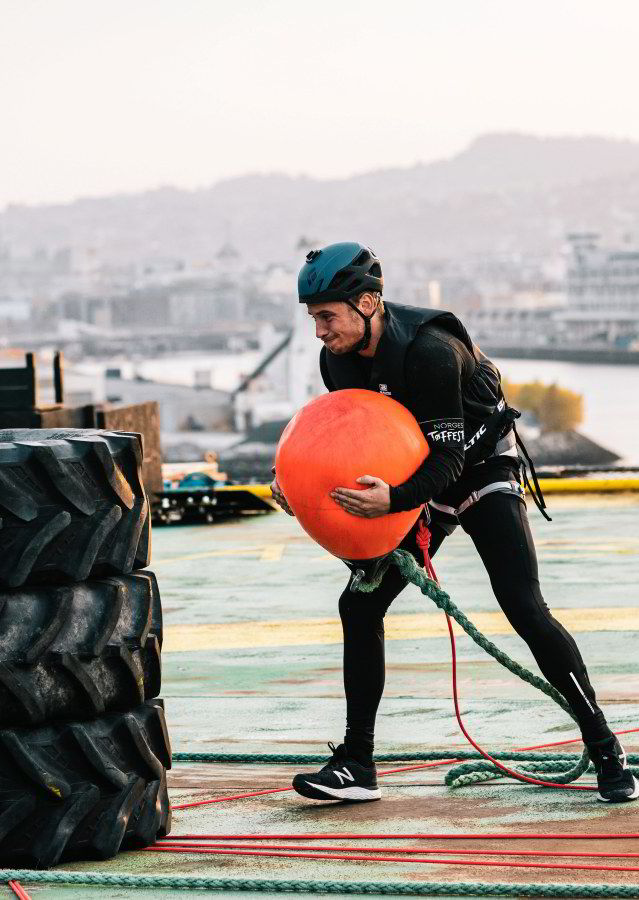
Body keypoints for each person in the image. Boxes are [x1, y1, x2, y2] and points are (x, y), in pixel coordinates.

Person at [270, 242, 638, 804]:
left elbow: (449, 462)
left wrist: (393, 502)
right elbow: (349, 442)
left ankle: (607, 751)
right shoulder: (337, 362)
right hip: (414, 477)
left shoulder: (432, 351)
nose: (319, 331)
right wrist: (299, 483)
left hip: (479, 467)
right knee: (360, 604)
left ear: (368, 303)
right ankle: (356, 764)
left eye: (327, 316)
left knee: (523, 605)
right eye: (314, 318)